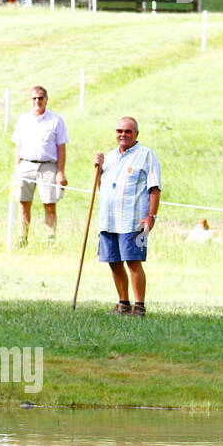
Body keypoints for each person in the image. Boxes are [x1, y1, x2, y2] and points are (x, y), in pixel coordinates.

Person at [93, 116, 161, 317]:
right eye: (119, 131)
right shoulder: (110, 157)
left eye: (128, 131)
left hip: (133, 219)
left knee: (132, 260)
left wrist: (151, 216)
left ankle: (139, 307)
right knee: (113, 260)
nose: (123, 135)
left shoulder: (146, 155)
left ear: (136, 134)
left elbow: (155, 188)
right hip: (109, 219)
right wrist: (98, 169)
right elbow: (101, 188)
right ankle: (123, 303)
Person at [11, 85, 68, 244]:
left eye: (41, 98)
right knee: (24, 203)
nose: (38, 101)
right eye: (34, 98)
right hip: (26, 165)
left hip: (48, 166)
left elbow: (61, 147)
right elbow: (18, 145)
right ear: (30, 100)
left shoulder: (56, 120)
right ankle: (22, 239)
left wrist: (60, 172)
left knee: (49, 204)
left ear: (46, 100)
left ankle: (51, 240)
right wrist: (17, 169)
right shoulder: (23, 119)